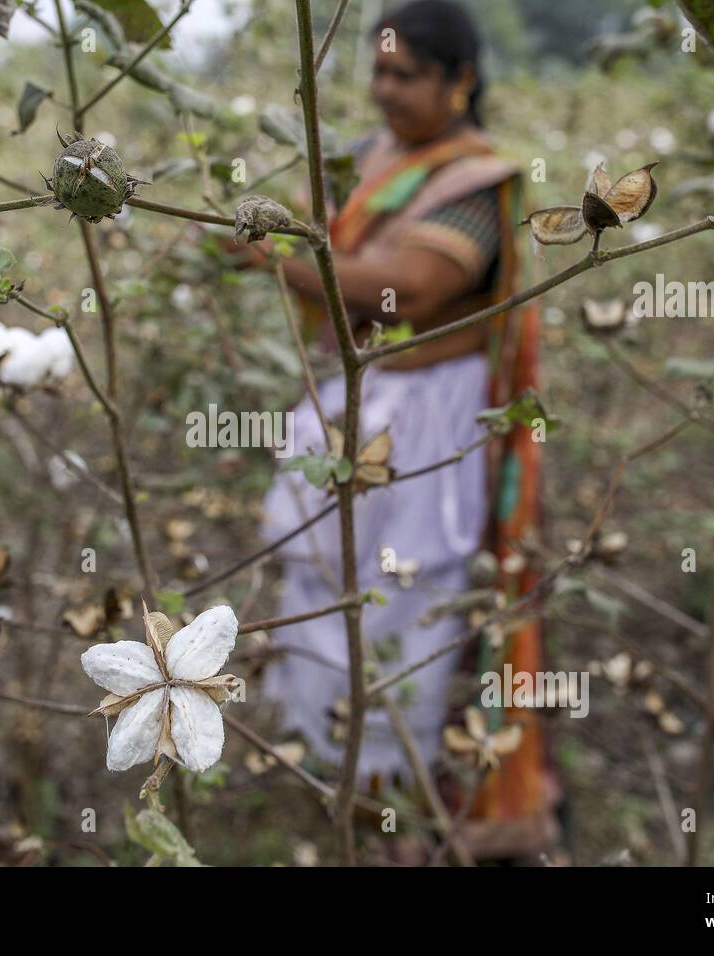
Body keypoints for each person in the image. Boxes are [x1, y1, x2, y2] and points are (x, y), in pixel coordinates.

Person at [257, 0, 561, 862]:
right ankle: (335, 762)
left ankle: (397, 788)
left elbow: (407, 289)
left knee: (412, 594)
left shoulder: (476, 180)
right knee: (322, 570)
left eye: (409, 74)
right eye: (379, 71)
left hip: (430, 417)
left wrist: (274, 251)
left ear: (461, 79)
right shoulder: (372, 158)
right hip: (353, 398)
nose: (386, 90)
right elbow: (340, 275)